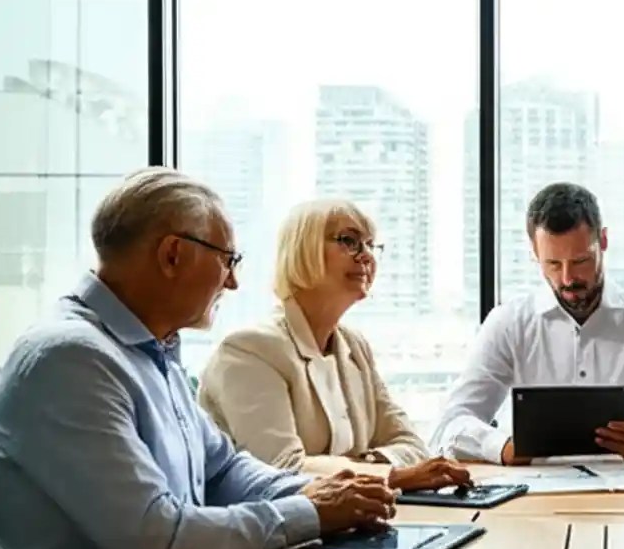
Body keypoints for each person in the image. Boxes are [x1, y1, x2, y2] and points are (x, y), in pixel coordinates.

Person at [0, 168, 398, 549]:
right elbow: (157, 539)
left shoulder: (148, 350)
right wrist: (310, 511)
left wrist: (328, 494)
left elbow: (223, 469)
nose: (232, 282)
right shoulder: (70, 360)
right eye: (228, 260)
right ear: (172, 254)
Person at [430, 182, 624, 465]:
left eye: (581, 261)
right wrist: (501, 447)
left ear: (603, 241)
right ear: (534, 251)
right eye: (553, 264)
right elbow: (450, 425)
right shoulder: (508, 325)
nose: (567, 279)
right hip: (528, 494)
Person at [197, 199, 469, 491]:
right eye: (349, 241)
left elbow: (413, 446)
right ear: (304, 249)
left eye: (370, 244)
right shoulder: (250, 350)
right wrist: (389, 475)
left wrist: (364, 464)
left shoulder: (354, 346)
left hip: (349, 519)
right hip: (274, 528)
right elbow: (281, 469)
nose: (366, 256)